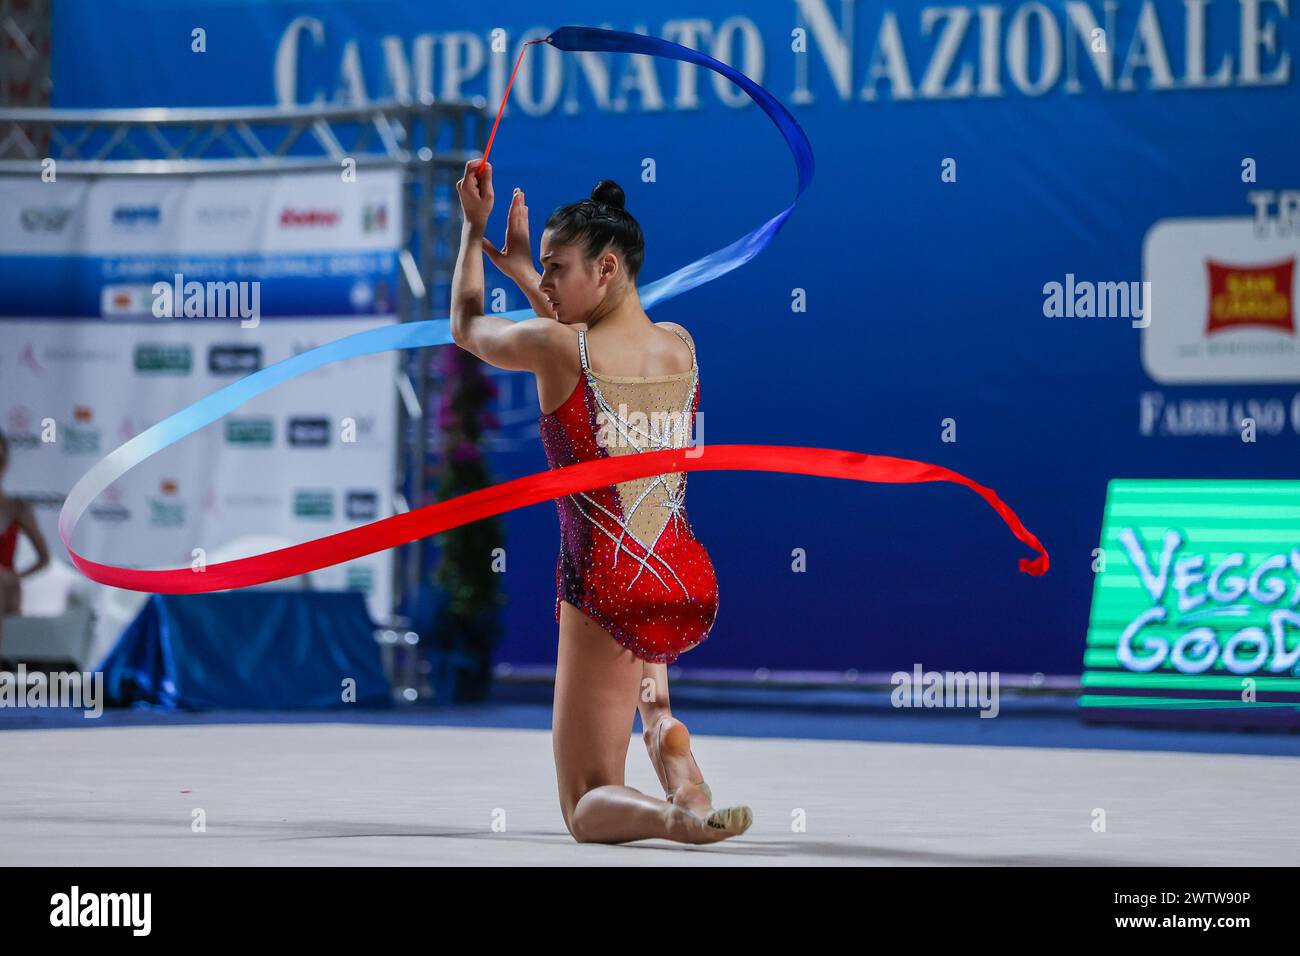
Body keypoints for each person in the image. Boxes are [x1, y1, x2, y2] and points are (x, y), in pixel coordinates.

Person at [451, 160, 750, 845]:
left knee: (584, 803)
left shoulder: (556, 347)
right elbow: (584, 346)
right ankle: (672, 747)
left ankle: (673, 817)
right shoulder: (680, 347)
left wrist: (473, 233)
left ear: (607, 268)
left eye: (558, 268)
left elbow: (467, 326)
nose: (547, 284)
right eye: (545, 271)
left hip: (606, 586)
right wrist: (527, 269)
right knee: (644, 684)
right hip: (678, 576)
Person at [0, 429, 52, 630]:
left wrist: (15, 577)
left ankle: (12, 657)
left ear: (6, 466)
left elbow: (43, 559)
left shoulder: (18, 508)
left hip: (6, 591)